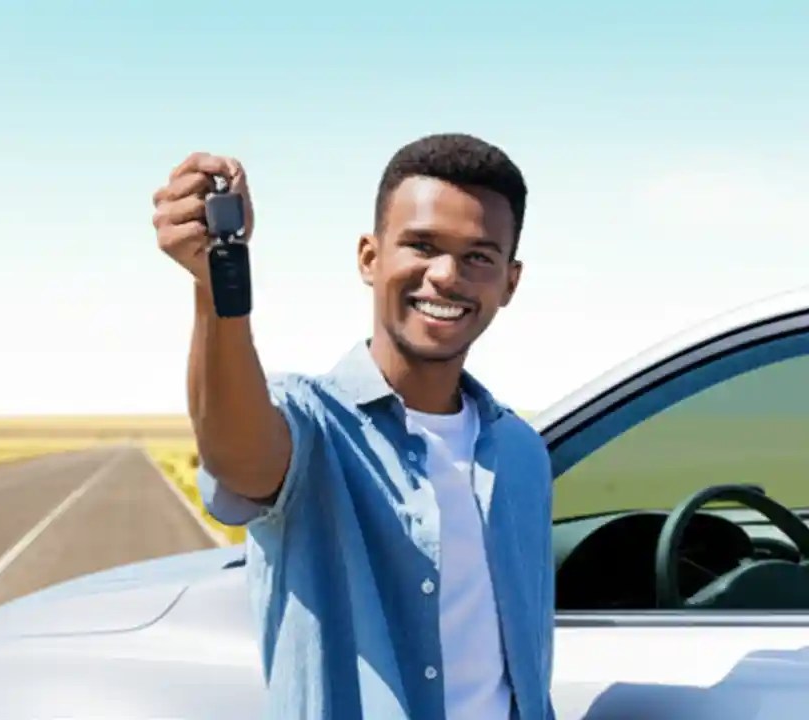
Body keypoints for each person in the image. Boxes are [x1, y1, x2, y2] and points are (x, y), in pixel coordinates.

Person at [150, 133, 555, 720]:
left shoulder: (520, 451)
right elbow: (239, 456)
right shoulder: (313, 427)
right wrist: (216, 285)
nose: (446, 275)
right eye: (421, 245)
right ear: (370, 257)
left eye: (478, 257)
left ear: (509, 282)